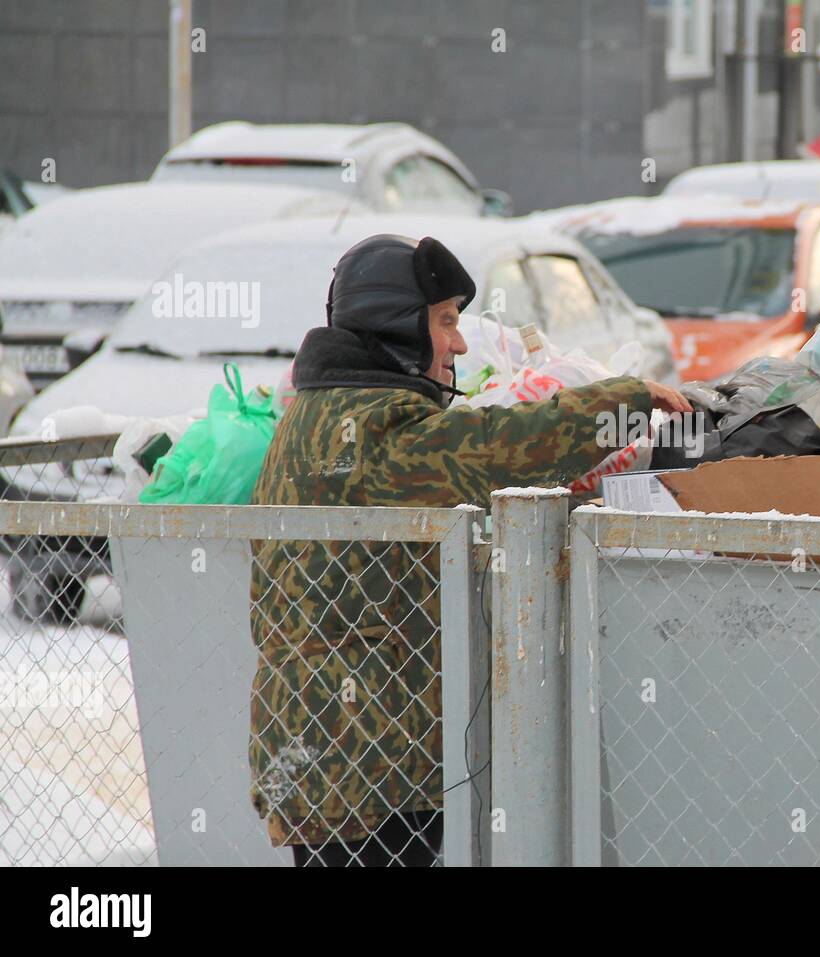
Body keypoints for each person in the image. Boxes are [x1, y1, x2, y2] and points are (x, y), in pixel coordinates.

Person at [247, 233, 689, 866]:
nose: (457, 343)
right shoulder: (370, 428)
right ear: (397, 326)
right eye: (445, 322)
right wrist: (624, 401)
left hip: (340, 749)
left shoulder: (326, 411)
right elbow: (508, 447)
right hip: (359, 760)